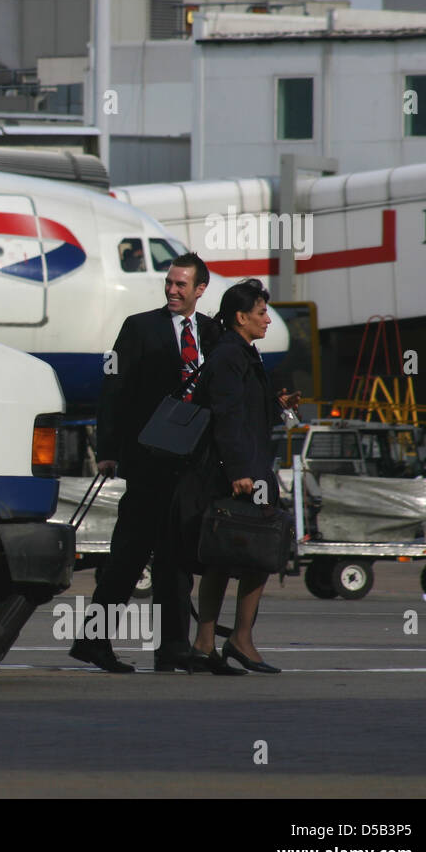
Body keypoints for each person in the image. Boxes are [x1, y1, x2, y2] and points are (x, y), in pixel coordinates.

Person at [71, 252, 220, 672]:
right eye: (169, 283)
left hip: (190, 466)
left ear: (200, 290)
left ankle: (172, 646)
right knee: (128, 556)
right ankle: (93, 642)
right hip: (148, 460)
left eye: (181, 285)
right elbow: (114, 390)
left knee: (176, 559)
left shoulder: (212, 333)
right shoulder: (139, 328)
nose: (173, 290)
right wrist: (108, 449)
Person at [184, 278, 300, 674]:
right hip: (241, 472)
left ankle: (211, 642)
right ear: (241, 317)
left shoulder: (241, 354)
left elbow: (245, 412)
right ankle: (234, 640)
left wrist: (275, 403)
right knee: (254, 555)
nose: (267, 320)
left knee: (228, 557)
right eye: (261, 312)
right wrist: (238, 472)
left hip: (248, 467)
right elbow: (227, 417)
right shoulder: (230, 356)